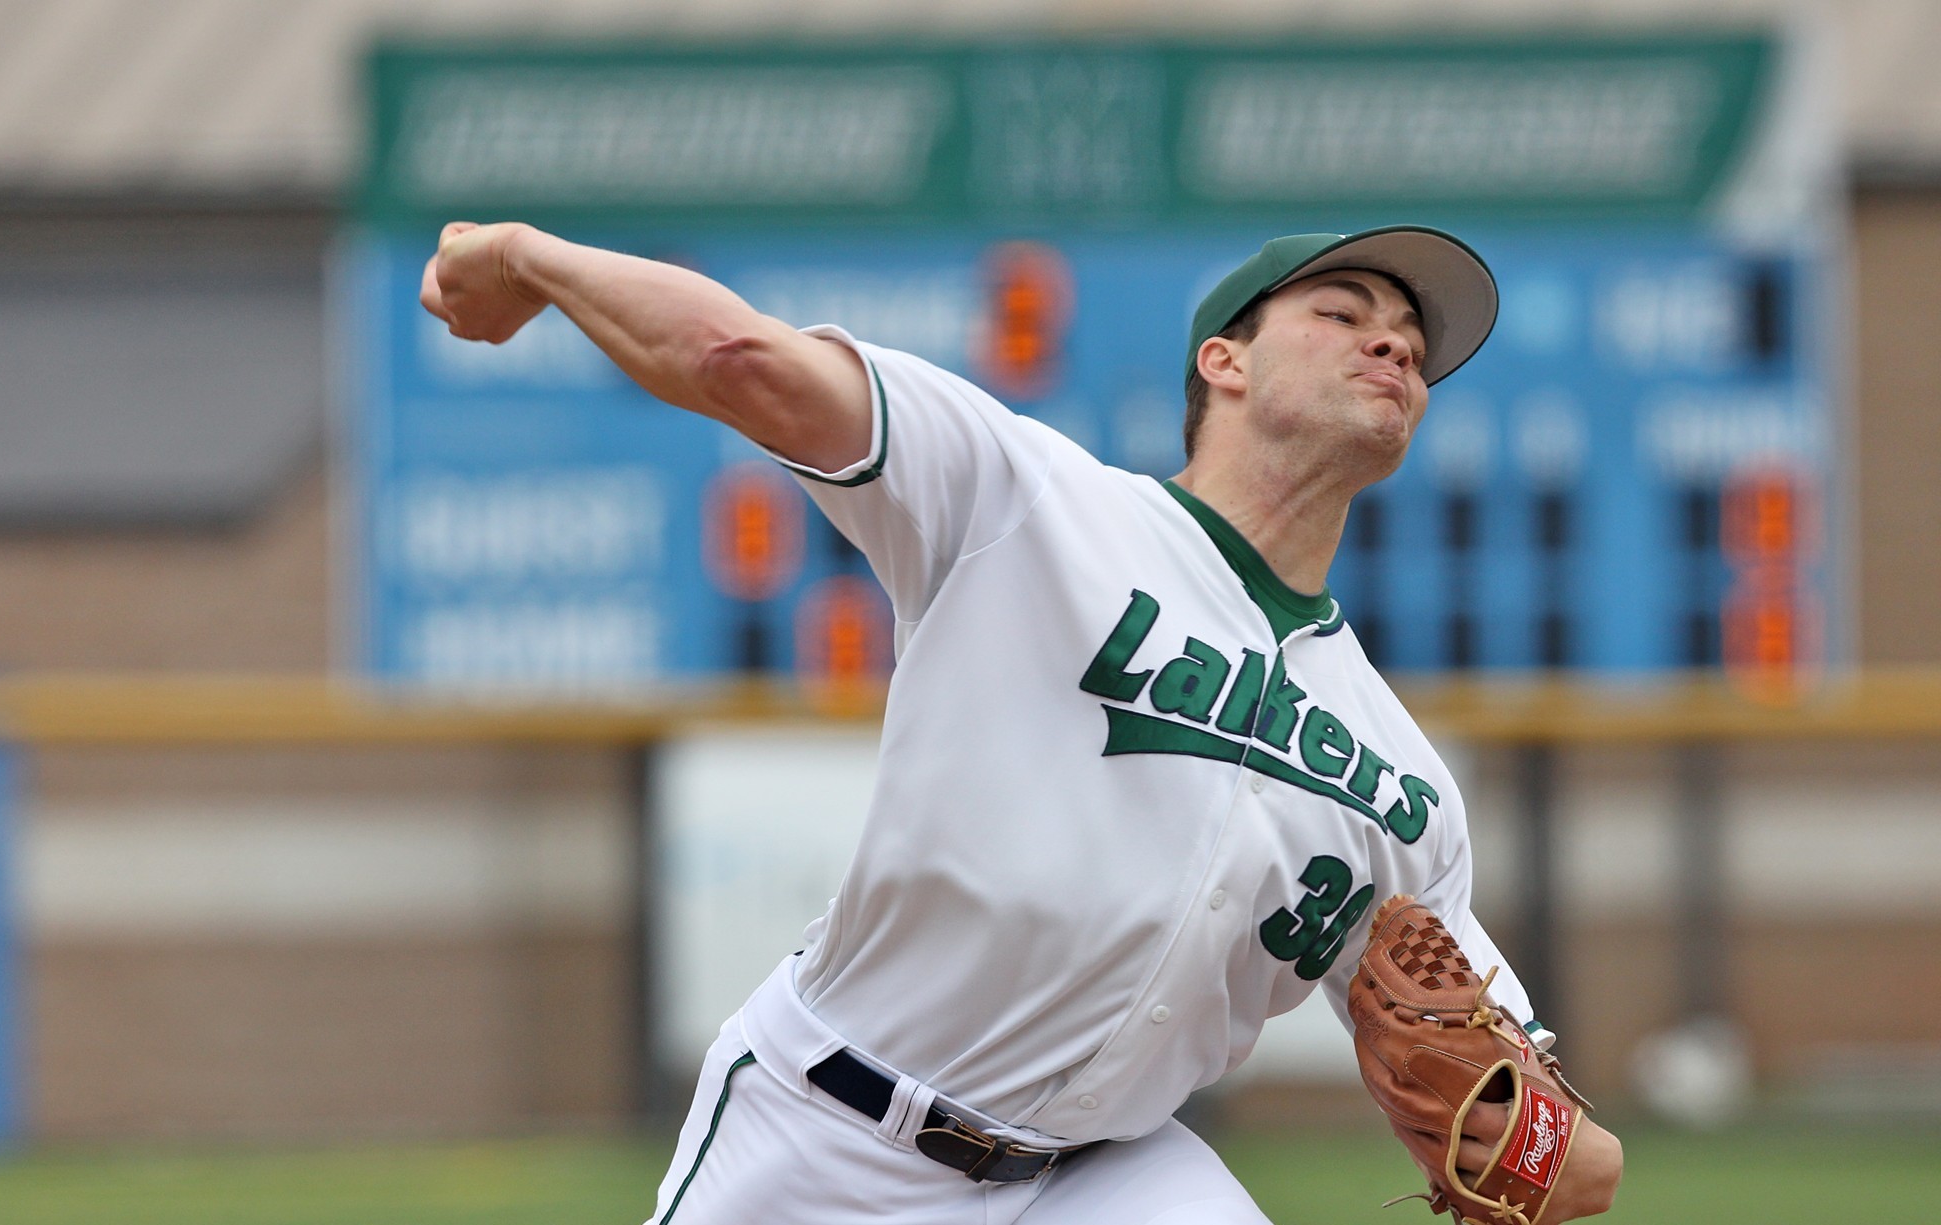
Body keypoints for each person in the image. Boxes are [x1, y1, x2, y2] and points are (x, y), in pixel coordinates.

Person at [422, 221, 1624, 1225]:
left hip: (1104, 1179)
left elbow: (1559, 1152)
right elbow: (740, 357)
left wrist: (1548, 1159)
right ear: (1224, 361)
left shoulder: (1399, 783)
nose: (1395, 342)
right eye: (1344, 309)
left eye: (1414, 343)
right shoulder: (1031, 501)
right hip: (830, 1135)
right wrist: (527, 256)